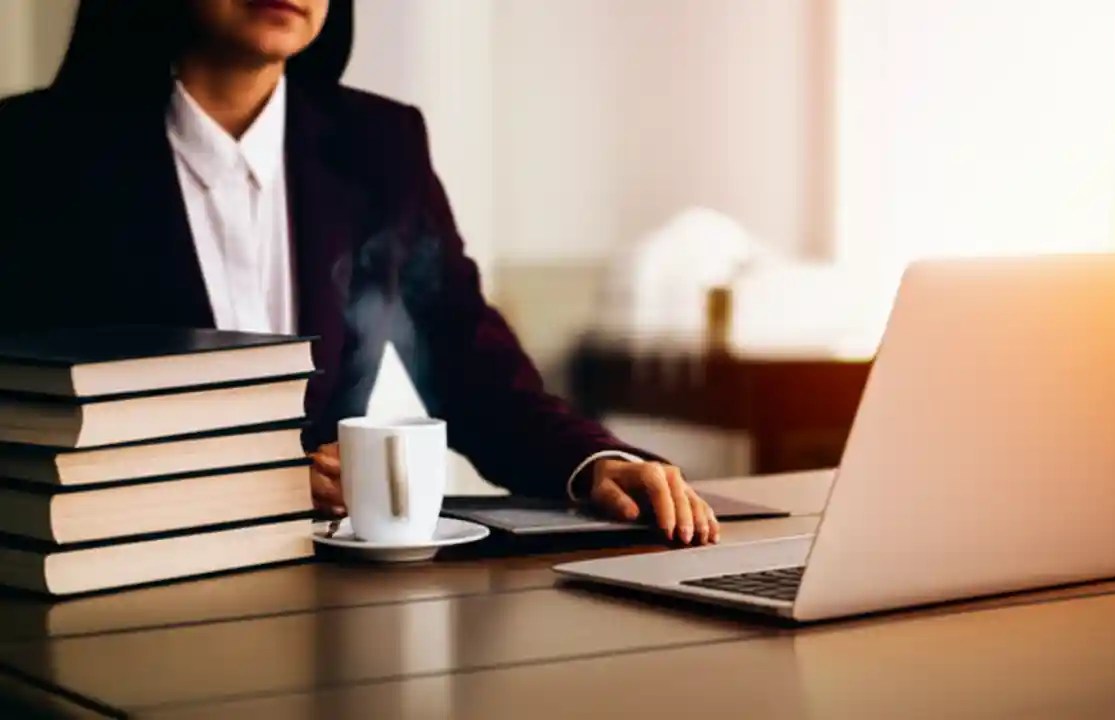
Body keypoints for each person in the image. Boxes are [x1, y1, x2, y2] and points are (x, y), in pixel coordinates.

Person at [0, 0, 719, 545]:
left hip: (328, 593)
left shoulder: (381, 145)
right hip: (113, 579)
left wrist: (593, 460)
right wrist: (239, 483)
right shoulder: (32, 155)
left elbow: (470, 362)